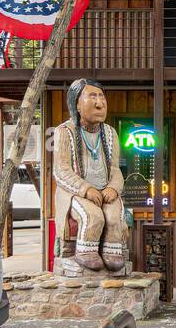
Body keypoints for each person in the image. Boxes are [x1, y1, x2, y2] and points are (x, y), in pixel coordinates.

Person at [52, 78, 128, 273]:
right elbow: (61, 170)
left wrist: (113, 187)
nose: (99, 103)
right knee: (93, 216)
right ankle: (85, 252)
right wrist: (85, 189)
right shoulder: (64, 132)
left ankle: (112, 253)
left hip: (105, 191)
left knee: (114, 216)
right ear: (77, 103)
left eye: (101, 97)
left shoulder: (110, 133)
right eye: (92, 96)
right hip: (74, 194)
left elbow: (115, 168)